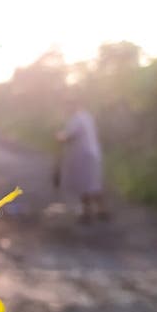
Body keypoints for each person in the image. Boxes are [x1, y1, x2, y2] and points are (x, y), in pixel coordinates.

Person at [56, 94, 109, 223]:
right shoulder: (87, 116)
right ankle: (102, 211)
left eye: (68, 105)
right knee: (94, 183)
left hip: (84, 157)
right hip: (93, 154)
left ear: (74, 105)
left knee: (85, 184)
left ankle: (87, 213)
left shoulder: (76, 119)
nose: (67, 108)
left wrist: (59, 136)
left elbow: (68, 136)